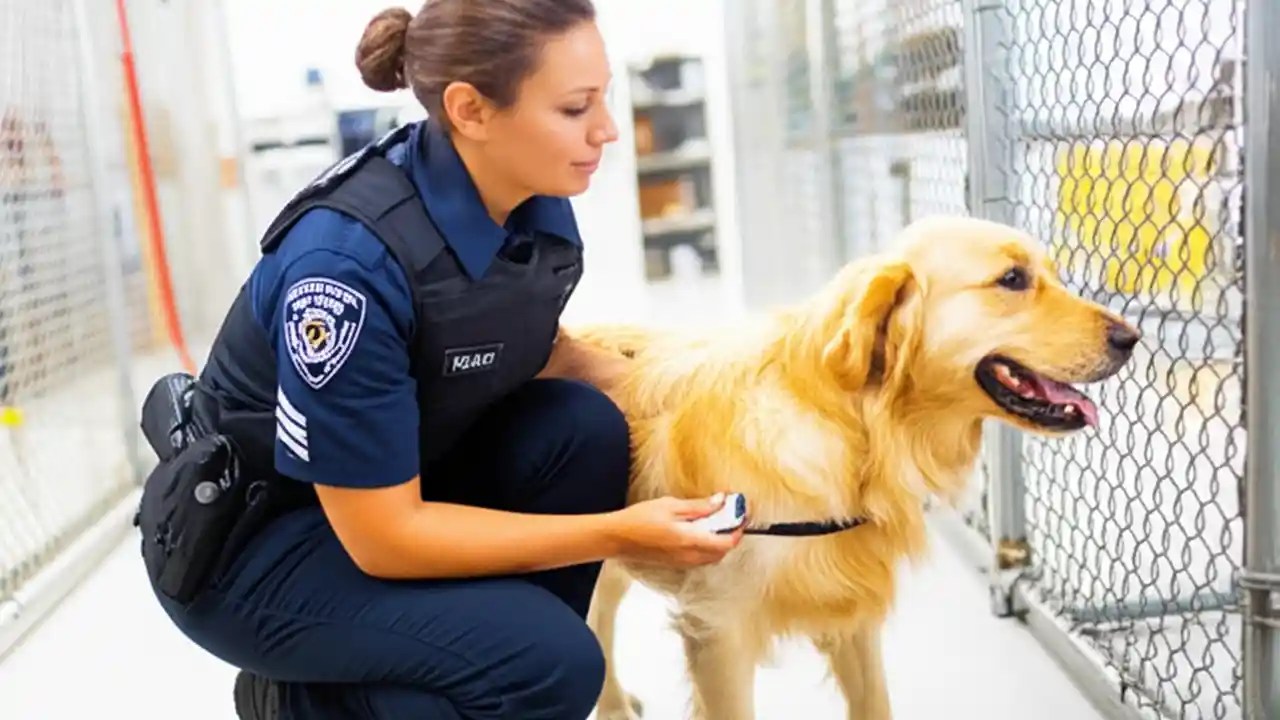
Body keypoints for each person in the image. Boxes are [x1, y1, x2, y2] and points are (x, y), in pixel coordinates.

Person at [138, 2, 744, 718]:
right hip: (260, 546)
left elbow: (541, 352)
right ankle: (303, 702)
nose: (607, 129)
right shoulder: (346, 272)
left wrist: (725, 397)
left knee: (581, 429)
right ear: (470, 110)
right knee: (551, 665)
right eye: (576, 107)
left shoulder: (528, 202)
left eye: (604, 97)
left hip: (387, 484)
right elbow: (385, 539)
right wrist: (621, 531)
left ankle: (436, 671)